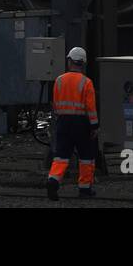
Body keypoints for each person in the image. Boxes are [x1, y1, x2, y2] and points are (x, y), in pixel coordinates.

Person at [46, 46, 97, 200]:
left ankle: (53, 180)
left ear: (69, 61)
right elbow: (91, 107)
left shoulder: (59, 80)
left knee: (61, 155)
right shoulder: (86, 82)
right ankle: (84, 189)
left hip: (63, 122)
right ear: (83, 63)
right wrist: (94, 126)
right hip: (81, 123)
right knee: (86, 156)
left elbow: (55, 104)